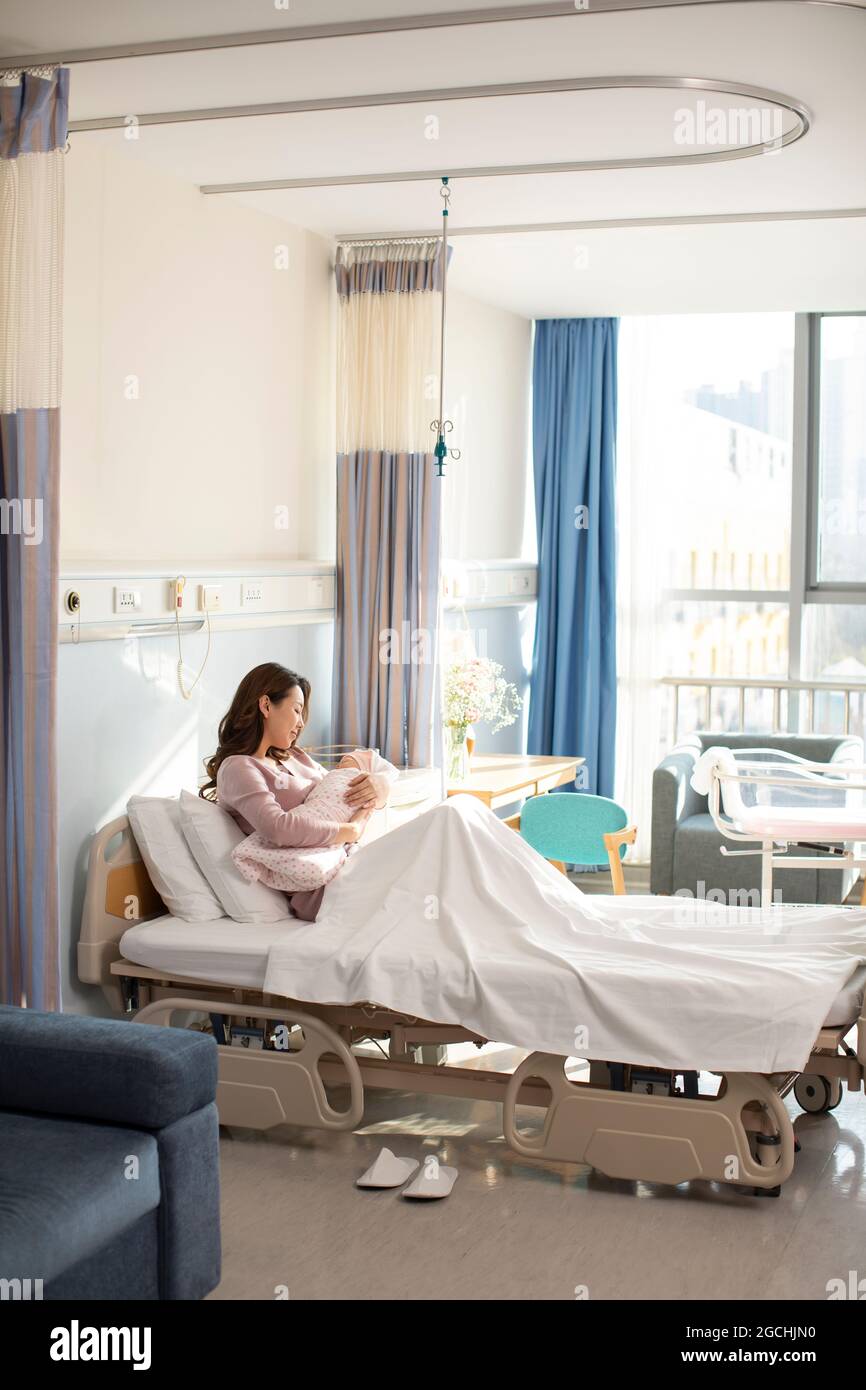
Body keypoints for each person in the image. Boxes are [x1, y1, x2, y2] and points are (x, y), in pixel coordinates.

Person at [201, 662, 393, 921]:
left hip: (354, 856)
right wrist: (351, 831)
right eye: (297, 710)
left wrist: (382, 785)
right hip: (325, 885)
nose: (301, 723)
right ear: (266, 705)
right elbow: (278, 828)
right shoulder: (239, 767)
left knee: (446, 829)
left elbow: (337, 792)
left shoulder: (295, 757)